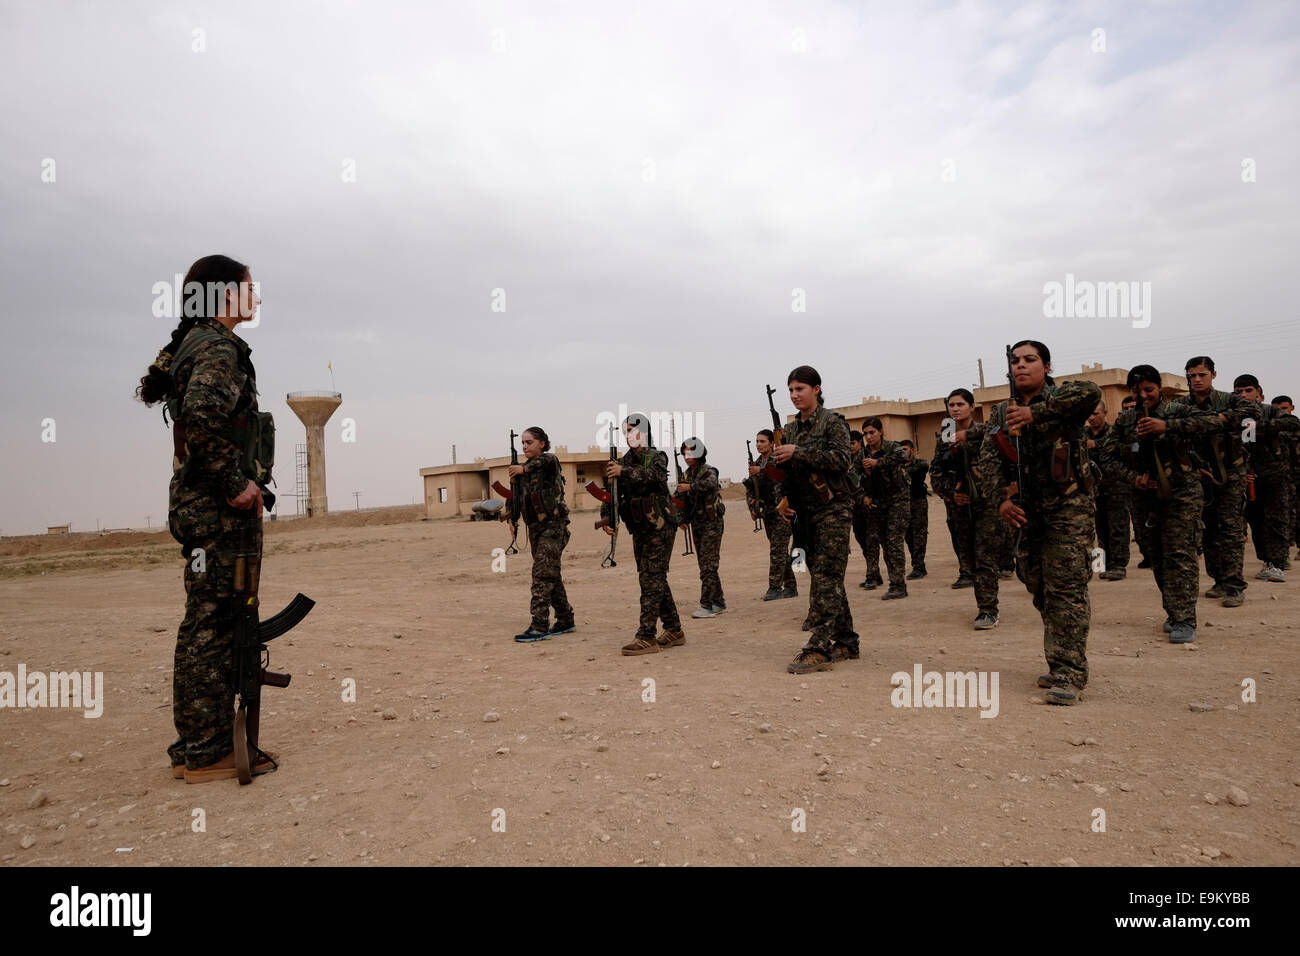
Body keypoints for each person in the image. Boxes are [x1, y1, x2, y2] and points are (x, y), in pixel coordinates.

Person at [136, 254, 280, 783]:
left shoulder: (198, 344)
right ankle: (205, 751)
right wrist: (236, 484)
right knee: (216, 623)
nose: (256, 298)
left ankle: (200, 744)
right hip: (218, 512)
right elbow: (201, 418)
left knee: (210, 620)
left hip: (202, 510)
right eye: (249, 289)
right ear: (223, 295)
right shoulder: (217, 348)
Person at [978, 340, 1100, 704]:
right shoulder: (1003, 412)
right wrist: (1001, 500)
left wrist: (1038, 413)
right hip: (1026, 513)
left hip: (1068, 509)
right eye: (1015, 361)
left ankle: (1069, 670)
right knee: (1038, 584)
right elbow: (988, 461)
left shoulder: (1065, 401)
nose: (1021, 366)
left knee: (1067, 588)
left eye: (1030, 360)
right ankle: (1061, 657)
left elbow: (1091, 391)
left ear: (1047, 366)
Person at [1103, 366, 1218, 643]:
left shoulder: (1179, 410)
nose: (1143, 396)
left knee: (1180, 554)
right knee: (1156, 555)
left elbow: (1213, 423)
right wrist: (1133, 478)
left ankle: (1184, 618)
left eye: (1149, 390)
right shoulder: (1125, 421)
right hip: (1145, 499)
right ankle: (1173, 609)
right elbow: (1106, 457)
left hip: (1182, 493)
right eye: (1137, 391)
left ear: (1159, 389)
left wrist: (1166, 426)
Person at [772, 366, 858, 673]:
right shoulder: (791, 429)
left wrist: (799, 452)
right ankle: (846, 641)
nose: (795, 395)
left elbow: (842, 459)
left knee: (826, 576)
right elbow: (789, 472)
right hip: (806, 511)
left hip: (834, 508)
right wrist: (783, 497)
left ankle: (819, 646)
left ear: (816, 389)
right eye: (791, 391)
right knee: (825, 573)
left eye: (800, 389)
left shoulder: (832, 422)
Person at [600, 413, 685, 655]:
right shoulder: (621, 461)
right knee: (651, 577)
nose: (630, 436)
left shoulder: (656, 457)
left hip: (660, 525)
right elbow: (611, 494)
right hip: (639, 527)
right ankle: (674, 629)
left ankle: (646, 635)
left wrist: (623, 471)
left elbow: (655, 477)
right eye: (626, 431)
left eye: (634, 430)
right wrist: (608, 517)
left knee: (652, 578)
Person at [1172, 357, 1253, 607]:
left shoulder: (1230, 400)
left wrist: (1217, 420)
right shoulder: (1180, 404)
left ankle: (1234, 584)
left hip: (1230, 474)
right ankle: (1218, 579)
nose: (1196, 379)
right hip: (1198, 475)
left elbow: (1252, 413)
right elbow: (1173, 429)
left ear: (1213, 374)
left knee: (1230, 528)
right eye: (1192, 375)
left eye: (1202, 374)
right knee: (1206, 529)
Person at [931, 390, 1004, 628]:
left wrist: (964, 435)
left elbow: (994, 430)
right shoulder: (944, 439)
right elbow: (936, 474)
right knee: (969, 559)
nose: (955, 409)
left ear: (972, 407)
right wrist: (952, 494)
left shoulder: (984, 432)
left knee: (985, 558)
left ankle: (987, 610)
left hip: (985, 506)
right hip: (959, 509)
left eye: (960, 404)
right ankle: (984, 604)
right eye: (951, 405)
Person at [504, 427, 575, 642]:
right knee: (550, 574)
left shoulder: (548, 461)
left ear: (542, 443)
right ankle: (565, 619)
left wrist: (521, 470)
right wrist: (511, 516)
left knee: (542, 575)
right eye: (523, 443)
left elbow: (543, 463)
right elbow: (514, 496)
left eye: (529, 442)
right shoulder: (521, 470)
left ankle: (539, 625)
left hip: (553, 527)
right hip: (535, 529)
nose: (525, 446)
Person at [1233, 375, 1300, 582]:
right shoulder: (1236, 415)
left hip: (1275, 474)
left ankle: (1278, 563)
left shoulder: (1268, 411)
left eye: (1248, 390)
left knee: (1277, 519)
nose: (1244, 395)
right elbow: (1244, 445)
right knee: (1256, 520)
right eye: (1239, 391)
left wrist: (1260, 426)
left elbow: (1292, 423)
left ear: (1258, 392)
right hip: (1250, 476)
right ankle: (1267, 560)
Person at [860, 417, 910, 599]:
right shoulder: (863, 453)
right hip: (877, 503)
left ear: (881, 432)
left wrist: (877, 463)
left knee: (894, 542)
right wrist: (865, 495)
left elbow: (903, 457)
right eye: (865, 433)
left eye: (872, 432)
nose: (868, 436)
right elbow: (857, 476)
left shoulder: (891, 447)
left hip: (897, 500)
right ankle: (895, 582)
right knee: (886, 545)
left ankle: (898, 585)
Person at [677, 438, 727, 618]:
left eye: (690, 453)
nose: (686, 457)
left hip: (712, 523)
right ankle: (719, 601)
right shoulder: (685, 475)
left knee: (708, 565)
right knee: (706, 565)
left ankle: (706, 605)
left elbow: (711, 484)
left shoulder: (708, 471)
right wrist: (680, 518)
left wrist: (689, 487)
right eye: (684, 453)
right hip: (697, 524)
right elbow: (679, 499)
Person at [746, 429, 798, 601]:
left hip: (783, 511)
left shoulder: (778, 459)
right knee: (780, 551)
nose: (759, 445)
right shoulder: (756, 463)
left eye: (762, 441)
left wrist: (759, 470)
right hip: (767, 512)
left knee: (777, 550)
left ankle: (775, 587)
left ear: (771, 443)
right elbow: (751, 489)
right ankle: (791, 586)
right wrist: (753, 508)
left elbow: (781, 476)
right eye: (757, 441)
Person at [1086, 400, 1132, 581]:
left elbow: (1124, 449)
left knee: (1118, 526)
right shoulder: (1083, 435)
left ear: (1105, 413)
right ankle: (1102, 564)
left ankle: (1119, 565)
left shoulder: (1114, 433)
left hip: (1116, 486)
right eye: (1089, 414)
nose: (1091, 418)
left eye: (1095, 414)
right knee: (1100, 528)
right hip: (1094, 490)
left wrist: (1096, 445)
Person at [848, 430, 881, 589]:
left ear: (860, 443)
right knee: (862, 540)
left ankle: (872, 576)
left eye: (852, 443)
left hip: (870, 505)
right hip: (855, 508)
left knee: (872, 541)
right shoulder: (845, 459)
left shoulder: (865, 457)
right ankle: (875, 573)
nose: (850, 446)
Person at [1271, 395, 1299, 569]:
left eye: (1284, 408)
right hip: (1284, 477)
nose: (1281, 412)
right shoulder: (1273, 431)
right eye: (1277, 409)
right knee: (1284, 514)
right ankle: (1284, 551)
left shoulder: (1295, 425)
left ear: (1292, 408)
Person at [900, 440, 929, 579]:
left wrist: (902, 471)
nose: (903, 452)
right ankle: (917, 564)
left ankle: (919, 566)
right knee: (908, 536)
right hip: (904, 504)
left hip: (918, 502)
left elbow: (916, 470)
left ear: (912, 449)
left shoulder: (920, 463)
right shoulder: (898, 466)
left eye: (905, 449)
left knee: (919, 535)